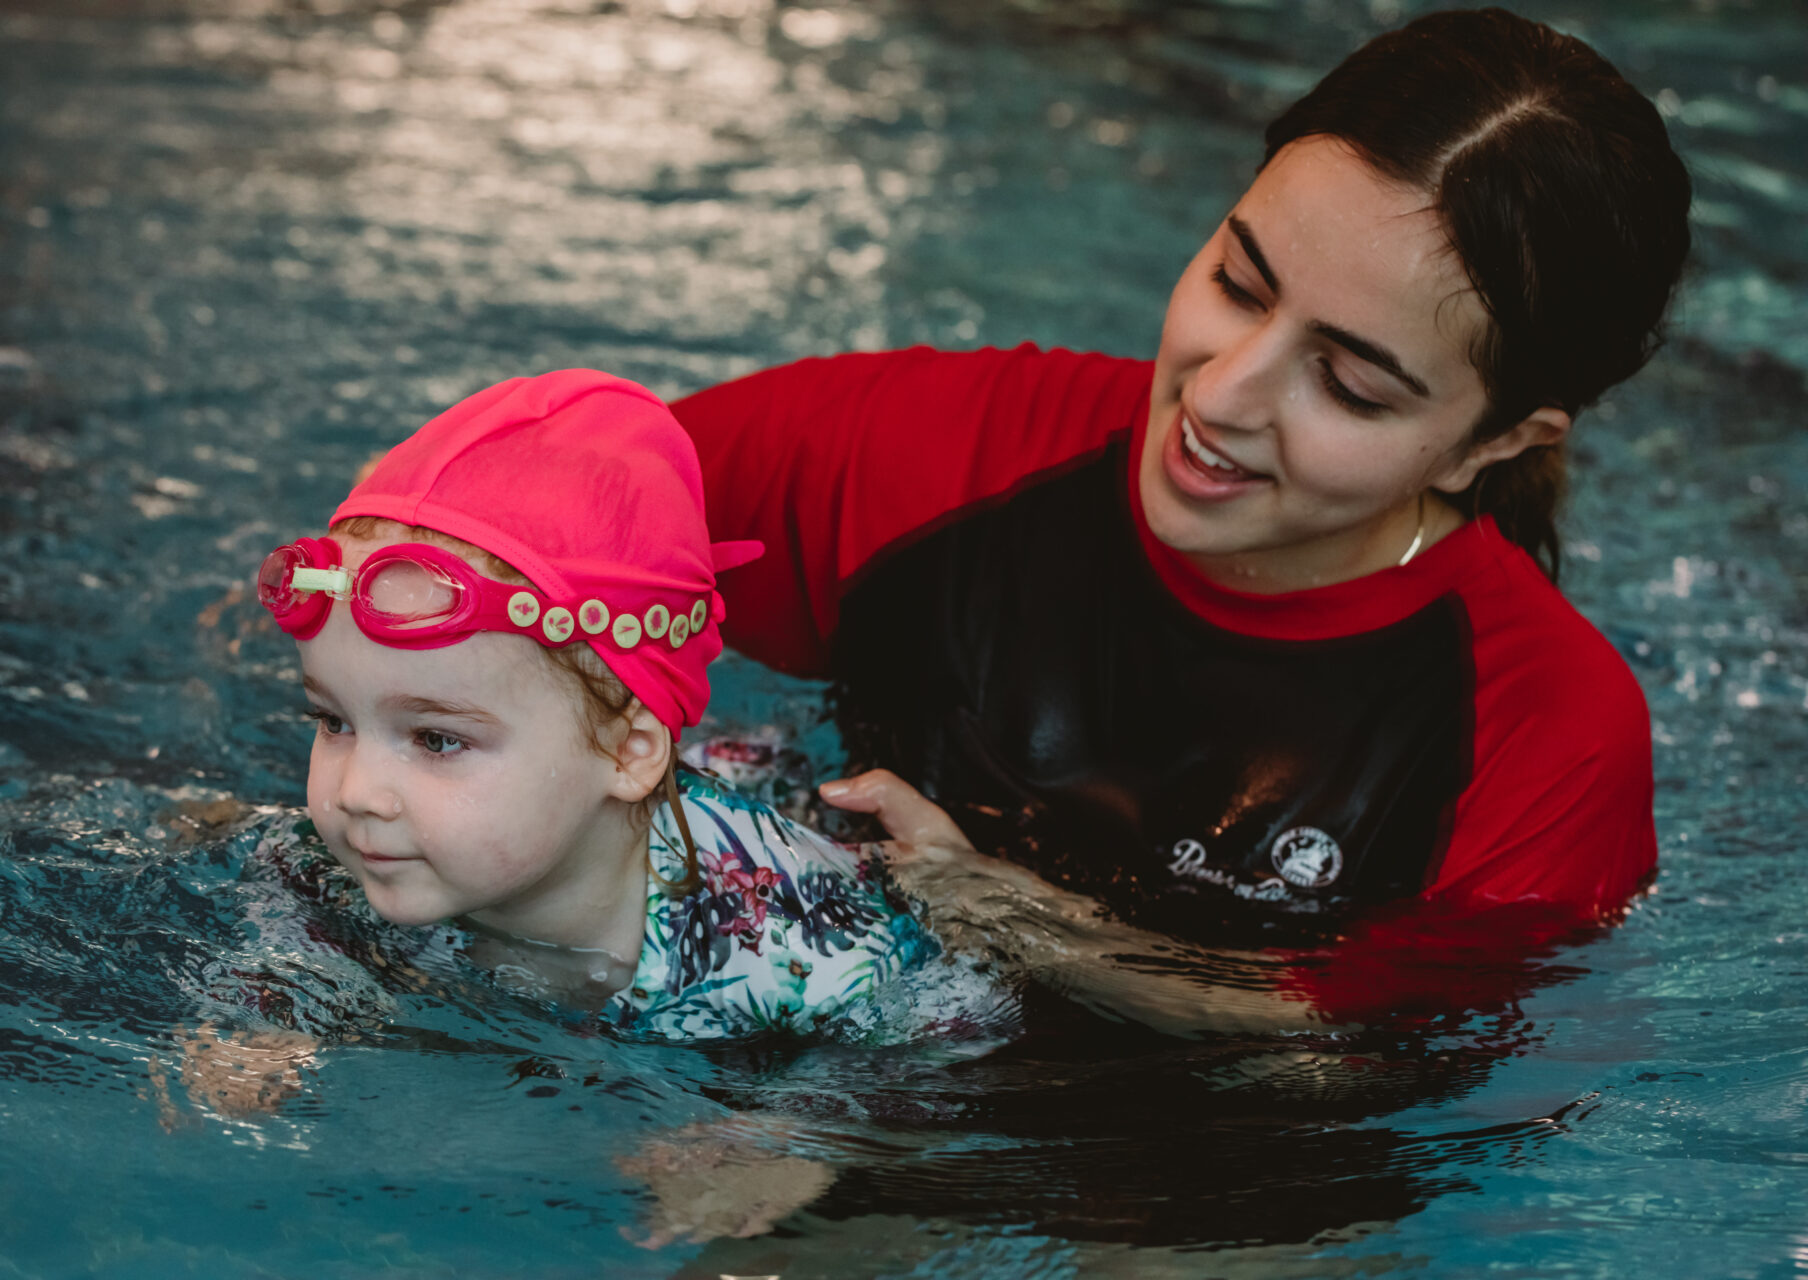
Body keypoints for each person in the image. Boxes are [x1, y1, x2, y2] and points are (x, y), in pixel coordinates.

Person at [669, 8, 1693, 1026]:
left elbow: (1389, 1073)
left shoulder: (1543, 739)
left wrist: (1020, 920)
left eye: (1348, 385)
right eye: (1238, 284)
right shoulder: (936, 457)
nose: (1221, 395)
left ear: (1495, 442)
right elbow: (527, 533)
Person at [242, 369, 945, 1041]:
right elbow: (279, 906)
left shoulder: (799, 943)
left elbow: (944, 1039)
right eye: (333, 721)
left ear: (627, 751)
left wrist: (774, 1136)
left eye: (435, 740)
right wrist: (269, 1013)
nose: (358, 792)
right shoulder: (361, 855)